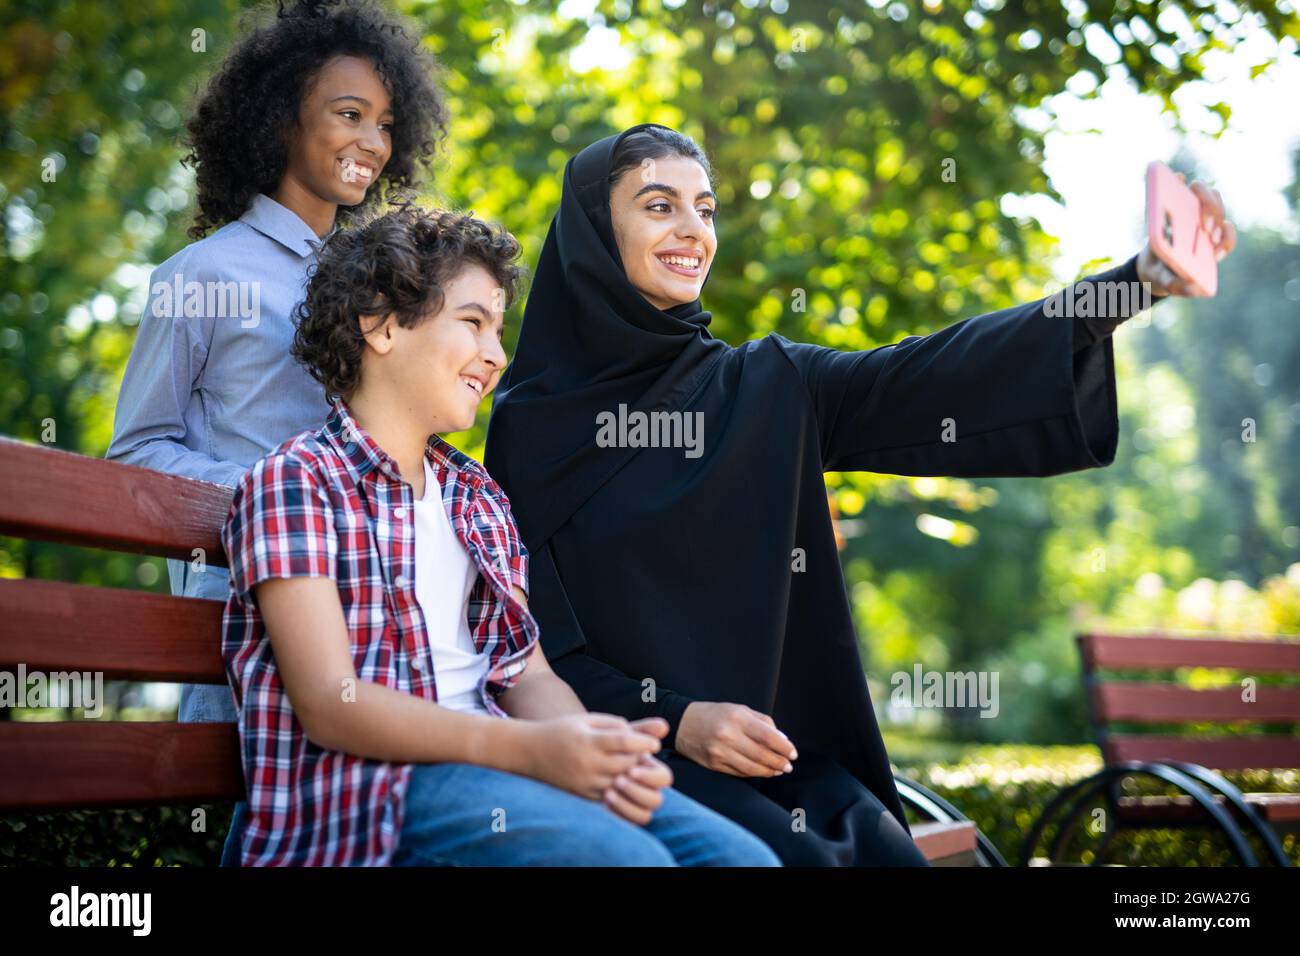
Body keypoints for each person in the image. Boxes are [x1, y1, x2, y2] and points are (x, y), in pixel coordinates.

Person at [483, 122, 1237, 865]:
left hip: (779, 762)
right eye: (659, 206)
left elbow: (934, 371)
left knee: (876, 845)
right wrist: (678, 720)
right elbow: (530, 651)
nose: (693, 231)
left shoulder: (767, 386)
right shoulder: (530, 427)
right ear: (592, 232)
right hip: (630, 752)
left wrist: (1131, 287)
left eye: (706, 209)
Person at [221, 205, 782, 866]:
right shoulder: (298, 482)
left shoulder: (475, 497)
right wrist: (532, 752)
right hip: (369, 793)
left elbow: (527, 674)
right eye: (473, 324)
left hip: (501, 770)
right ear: (381, 324)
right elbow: (328, 704)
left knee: (745, 862)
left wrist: (592, 748)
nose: (495, 355)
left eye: (499, 330)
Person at [105, 0, 449, 863]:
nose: (371, 141)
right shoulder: (202, 276)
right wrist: (277, 498)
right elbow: (136, 454)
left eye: (384, 124)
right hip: (249, 616)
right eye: (347, 114)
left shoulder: (388, 282)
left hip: (381, 618)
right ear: (278, 118)